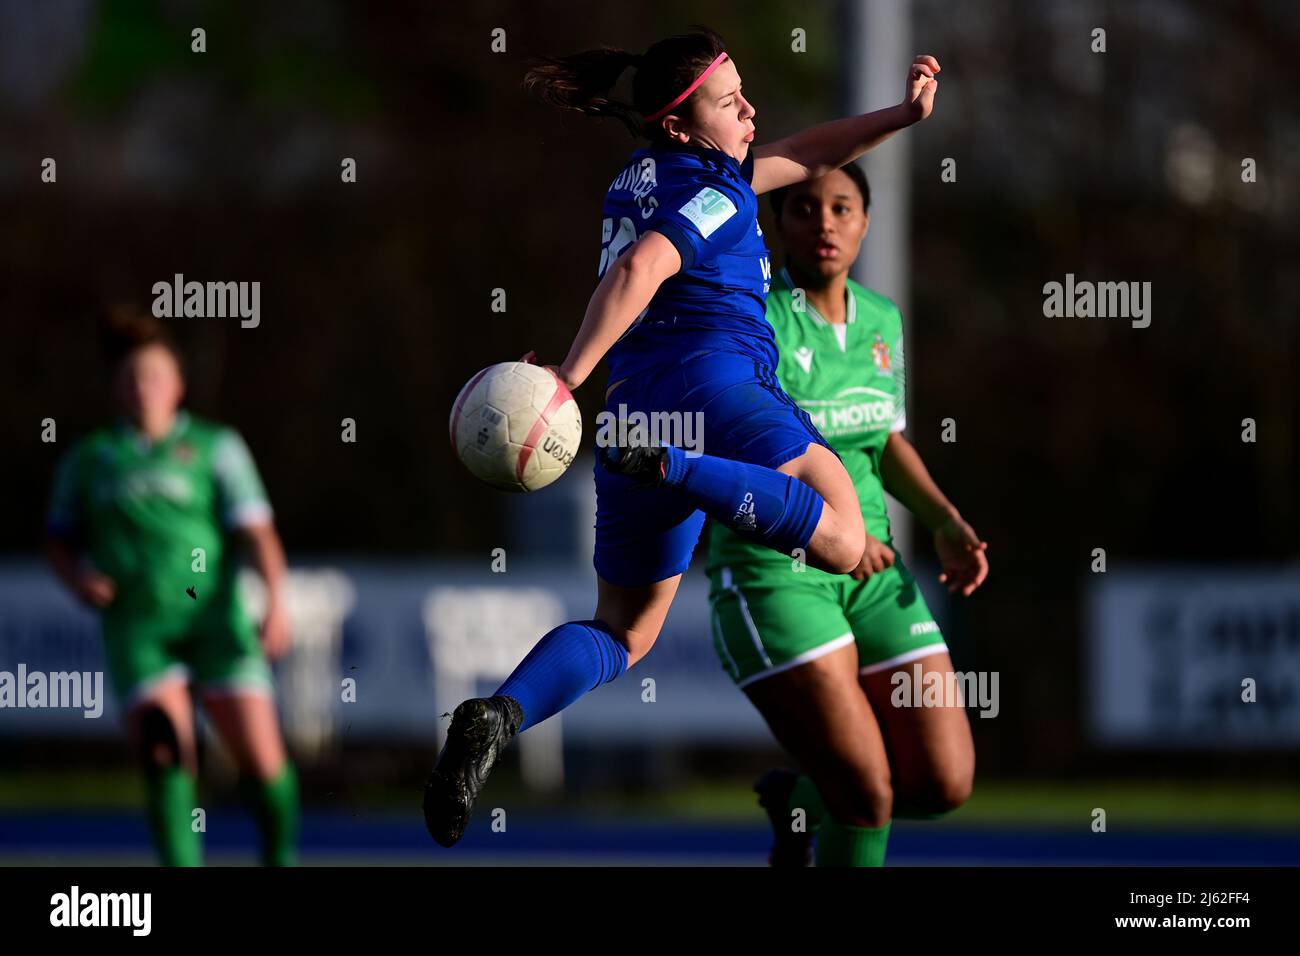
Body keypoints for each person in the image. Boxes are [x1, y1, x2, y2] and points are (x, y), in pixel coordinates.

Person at [425, 27, 941, 867]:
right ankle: (684, 470)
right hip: (716, 394)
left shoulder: (644, 180)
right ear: (678, 124)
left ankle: (501, 712)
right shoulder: (718, 194)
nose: (749, 107)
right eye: (728, 98)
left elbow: (810, 150)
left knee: (624, 635)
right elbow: (640, 272)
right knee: (847, 540)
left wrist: (902, 114)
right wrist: (563, 378)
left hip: (636, 410)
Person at [706, 163, 988, 866]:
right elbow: (750, 455)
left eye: (842, 207)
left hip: (876, 575)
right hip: (779, 573)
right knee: (867, 796)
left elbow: (884, 439)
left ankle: (798, 803)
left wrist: (945, 518)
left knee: (943, 783)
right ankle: (827, 804)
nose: (824, 222)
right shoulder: (755, 322)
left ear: (866, 221)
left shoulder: (881, 320)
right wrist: (836, 535)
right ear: (777, 225)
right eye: (804, 208)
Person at [45, 307, 299, 866]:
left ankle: (281, 859)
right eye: (131, 378)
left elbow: (257, 532)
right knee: (166, 757)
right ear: (115, 389)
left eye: (155, 376)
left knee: (263, 763)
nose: (143, 388)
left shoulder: (217, 448)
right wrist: (78, 577)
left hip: (214, 621)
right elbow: (58, 541)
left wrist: (276, 603)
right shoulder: (89, 459)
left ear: (178, 385)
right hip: (139, 630)